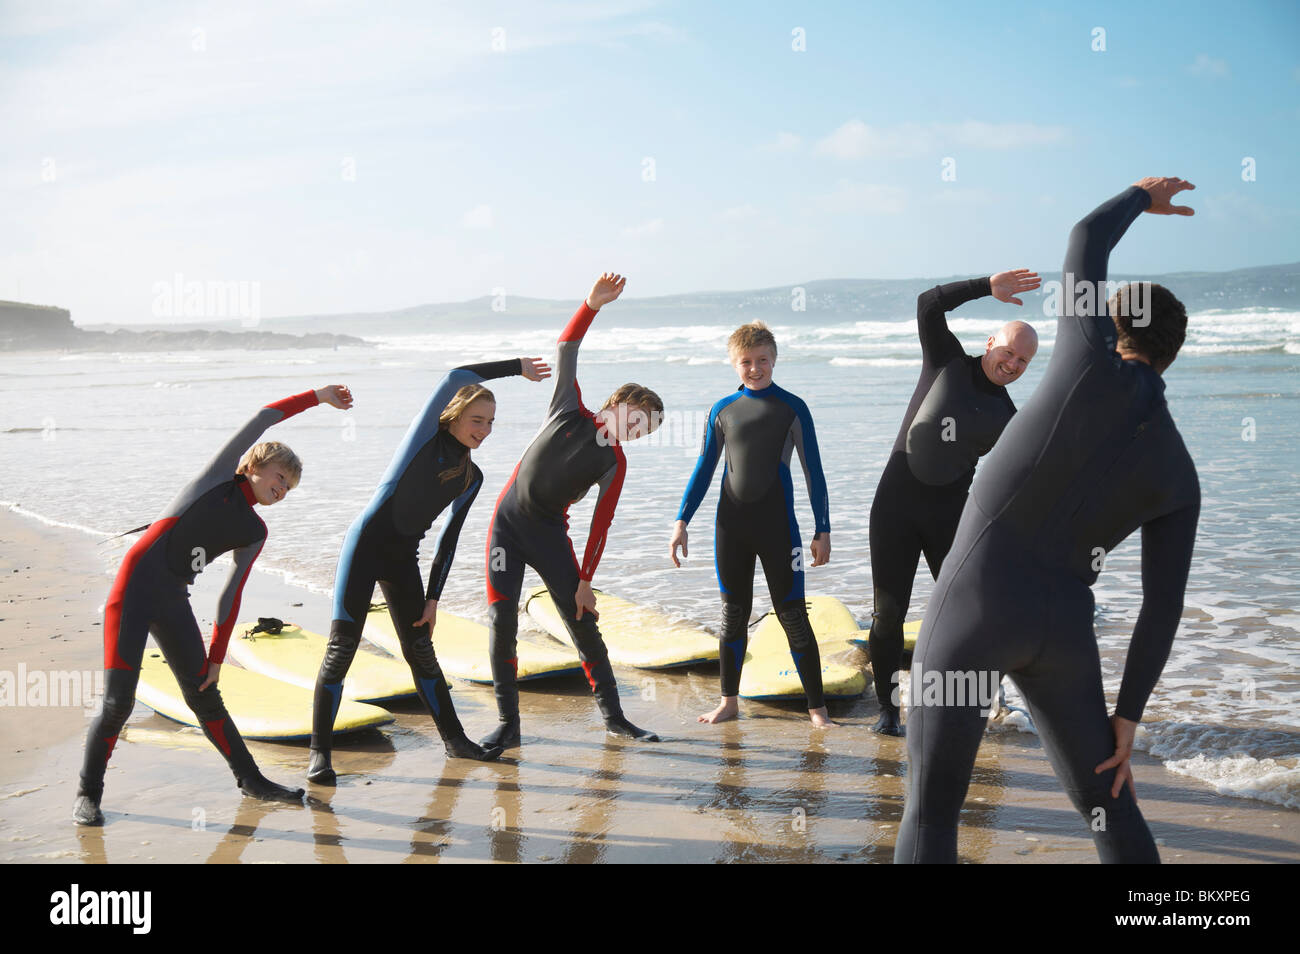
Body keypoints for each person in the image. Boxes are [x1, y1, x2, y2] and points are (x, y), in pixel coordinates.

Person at [894, 177, 1199, 864]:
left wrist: (1139, 198)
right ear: (1171, 354)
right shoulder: (1180, 473)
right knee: (1108, 807)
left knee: (934, 809)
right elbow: (1163, 606)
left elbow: (1085, 240)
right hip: (1063, 633)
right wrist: (1127, 718)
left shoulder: (1086, 359)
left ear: (1112, 328)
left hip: (974, 608)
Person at [74, 385, 353, 826]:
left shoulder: (255, 532)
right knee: (117, 704)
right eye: (279, 477)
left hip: (172, 598)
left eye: (290, 487)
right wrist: (318, 397)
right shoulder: (217, 479)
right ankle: (88, 795)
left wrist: (217, 657)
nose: (283, 489)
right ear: (255, 466)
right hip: (134, 589)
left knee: (206, 695)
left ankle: (252, 781)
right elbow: (265, 415)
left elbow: (231, 595)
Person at [308, 357, 550, 784]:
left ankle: (456, 742)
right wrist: (517, 367)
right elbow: (457, 375)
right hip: (363, 547)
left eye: (491, 423)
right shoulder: (424, 439)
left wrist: (433, 598)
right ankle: (320, 755)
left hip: (404, 558)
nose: (484, 430)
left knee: (421, 651)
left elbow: (448, 540)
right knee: (341, 650)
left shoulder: (471, 477)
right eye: (477, 420)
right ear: (454, 417)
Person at [480, 272, 664, 749]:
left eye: (645, 433)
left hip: (547, 536)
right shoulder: (568, 408)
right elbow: (566, 349)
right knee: (502, 625)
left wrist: (585, 580)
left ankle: (616, 718)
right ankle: (508, 724)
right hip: (506, 526)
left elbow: (601, 525)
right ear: (620, 403)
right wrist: (591, 304)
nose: (636, 434)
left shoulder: (614, 462)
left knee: (582, 622)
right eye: (638, 422)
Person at [868, 270, 1040, 735]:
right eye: (1009, 352)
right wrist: (986, 286)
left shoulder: (1008, 417)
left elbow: (1018, 482)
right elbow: (927, 303)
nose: (1013, 364)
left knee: (972, 615)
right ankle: (888, 710)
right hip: (895, 508)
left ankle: (981, 703)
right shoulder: (946, 361)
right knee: (889, 613)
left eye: (1024, 361)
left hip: (949, 517)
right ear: (990, 343)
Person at [671, 321, 836, 726]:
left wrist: (822, 529)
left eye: (762, 360)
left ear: (774, 360)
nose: (755, 368)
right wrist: (681, 520)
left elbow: (813, 470)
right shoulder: (722, 410)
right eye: (746, 362)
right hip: (731, 528)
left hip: (781, 529)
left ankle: (818, 709)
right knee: (732, 614)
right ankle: (729, 703)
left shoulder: (792, 408)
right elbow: (705, 467)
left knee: (793, 613)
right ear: (734, 364)